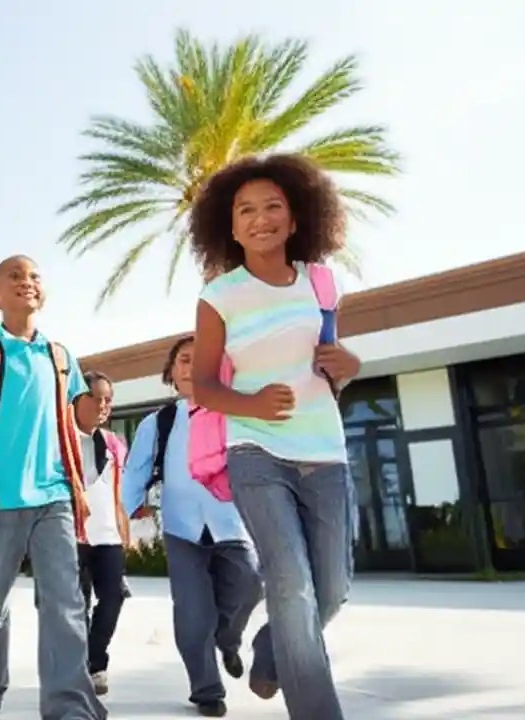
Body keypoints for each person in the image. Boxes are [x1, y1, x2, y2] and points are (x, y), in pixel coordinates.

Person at [189, 154, 361, 720]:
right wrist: (253, 403)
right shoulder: (220, 296)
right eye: (245, 210)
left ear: (295, 216)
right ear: (229, 226)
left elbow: (329, 362)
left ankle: (271, 650)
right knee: (291, 584)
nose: (260, 218)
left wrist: (349, 362)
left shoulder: (320, 282)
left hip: (325, 452)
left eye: (272, 207)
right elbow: (205, 386)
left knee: (330, 589)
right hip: (255, 451)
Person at [0, 254, 106, 720]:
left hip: (54, 495)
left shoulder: (59, 355)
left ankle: (70, 707)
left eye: (35, 275)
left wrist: (93, 412)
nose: (27, 281)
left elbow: (77, 417)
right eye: (14, 276)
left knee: (65, 604)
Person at [122, 336, 263, 718]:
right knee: (192, 610)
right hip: (182, 526)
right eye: (184, 360)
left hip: (233, 522)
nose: (192, 366)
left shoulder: (236, 412)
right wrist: (132, 505)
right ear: (171, 373)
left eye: (202, 360)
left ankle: (228, 638)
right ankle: (206, 690)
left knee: (250, 583)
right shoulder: (160, 421)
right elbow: (136, 467)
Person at [72, 370, 132, 697]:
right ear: (77, 400)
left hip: (108, 536)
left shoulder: (113, 442)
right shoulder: (60, 438)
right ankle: (81, 666)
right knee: (76, 605)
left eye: (108, 399)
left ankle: (95, 661)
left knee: (112, 598)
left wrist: (124, 529)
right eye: (96, 397)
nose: (103, 405)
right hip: (73, 536)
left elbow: (117, 489)